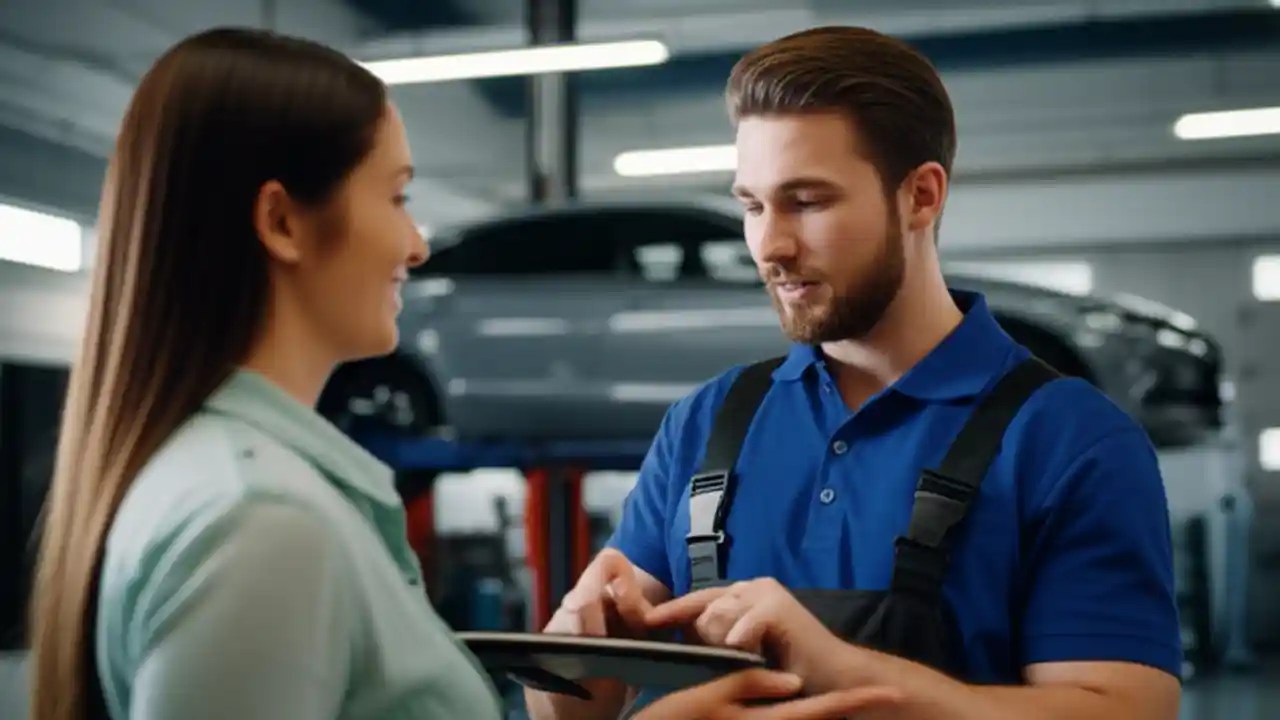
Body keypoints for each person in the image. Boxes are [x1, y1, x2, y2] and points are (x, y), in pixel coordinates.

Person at [25, 27, 901, 720]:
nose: (416, 244)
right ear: (283, 223)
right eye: (397, 195)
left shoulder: (228, 489)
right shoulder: (261, 524)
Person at [525, 25, 1182, 720]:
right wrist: (571, 653)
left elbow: (1127, 711)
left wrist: (846, 672)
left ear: (921, 196)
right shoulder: (706, 423)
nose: (770, 246)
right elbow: (569, 711)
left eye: (807, 202)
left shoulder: (1070, 440)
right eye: (753, 205)